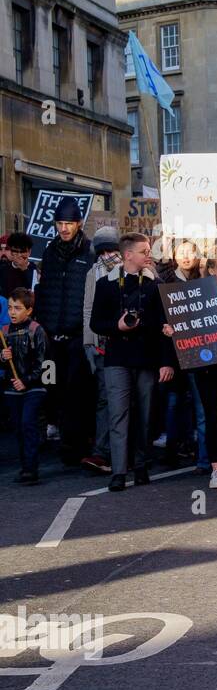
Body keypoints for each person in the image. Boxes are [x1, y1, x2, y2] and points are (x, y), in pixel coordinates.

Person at [89, 233, 177, 492]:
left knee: (145, 414)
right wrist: (116, 326)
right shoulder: (106, 284)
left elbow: (165, 327)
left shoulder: (155, 284)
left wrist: (166, 362)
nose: (148, 255)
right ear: (128, 255)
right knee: (118, 414)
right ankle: (118, 472)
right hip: (117, 359)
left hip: (147, 359)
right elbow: (96, 323)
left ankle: (141, 465)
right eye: (144, 251)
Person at [164, 254, 217, 489]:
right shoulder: (196, 297)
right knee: (212, 416)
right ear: (211, 271)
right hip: (207, 367)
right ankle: (215, 468)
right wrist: (174, 330)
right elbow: (184, 325)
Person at [33, 197, 97, 465]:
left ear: (78, 223)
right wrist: (43, 326)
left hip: (76, 338)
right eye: (59, 223)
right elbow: (45, 291)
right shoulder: (49, 253)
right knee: (52, 388)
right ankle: (58, 438)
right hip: (51, 338)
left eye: (68, 223)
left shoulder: (89, 252)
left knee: (77, 393)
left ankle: (75, 446)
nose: (63, 228)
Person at [158, 239, 208, 472]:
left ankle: (204, 457)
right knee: (174, 402)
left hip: (200, 354)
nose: (187, 256)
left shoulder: (204, 281)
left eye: (191, 252)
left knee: (201, 405)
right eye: (182, 252)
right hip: (174, 354)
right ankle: (171, 450)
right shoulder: (165, 281)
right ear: (174, 255)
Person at [80, 228, 126, 475]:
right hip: (100, 345)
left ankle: (125, 452)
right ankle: (101, 452)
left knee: (124, 400)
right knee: (104, 399)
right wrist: (89, 344)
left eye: (111, 249)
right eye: (103, 251)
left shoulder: (129, 270)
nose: (108, 255)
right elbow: (88, 309)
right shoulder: (92, 273)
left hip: (125, 343)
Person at [2, 288, 50, 484]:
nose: (12, 312)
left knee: (27, 423)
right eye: (10, 308)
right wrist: (2, 357)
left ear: (29, 310)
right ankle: (25, 467)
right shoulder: (4, 332)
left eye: (18, 308)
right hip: (11, 387)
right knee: (18, 429)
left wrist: (27, 380)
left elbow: (45, 363)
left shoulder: (36, 330)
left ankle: (31, 468)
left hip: (34, 387)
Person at [1, 233, 38, 298]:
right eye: (15, 251)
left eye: (22, 251)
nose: (19, 255)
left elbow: (35, 294)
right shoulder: (3, 270)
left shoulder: (36, 270)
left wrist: (24, 270)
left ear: (29, 252)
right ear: (11, 252)